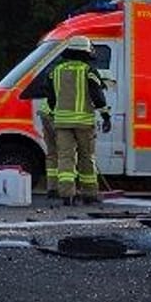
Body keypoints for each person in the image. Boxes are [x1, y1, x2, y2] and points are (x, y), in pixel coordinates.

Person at [46, 36, 110, 205]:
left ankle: (67, 195)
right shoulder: (88, 71)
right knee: (86, 157)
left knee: (65, 158)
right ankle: (89, 194)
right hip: (84, 123)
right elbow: (98, 96)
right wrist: (105, 116)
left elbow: (51, 98)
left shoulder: (55, 71)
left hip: (62, 123)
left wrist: (57, 112)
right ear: (86, 52)